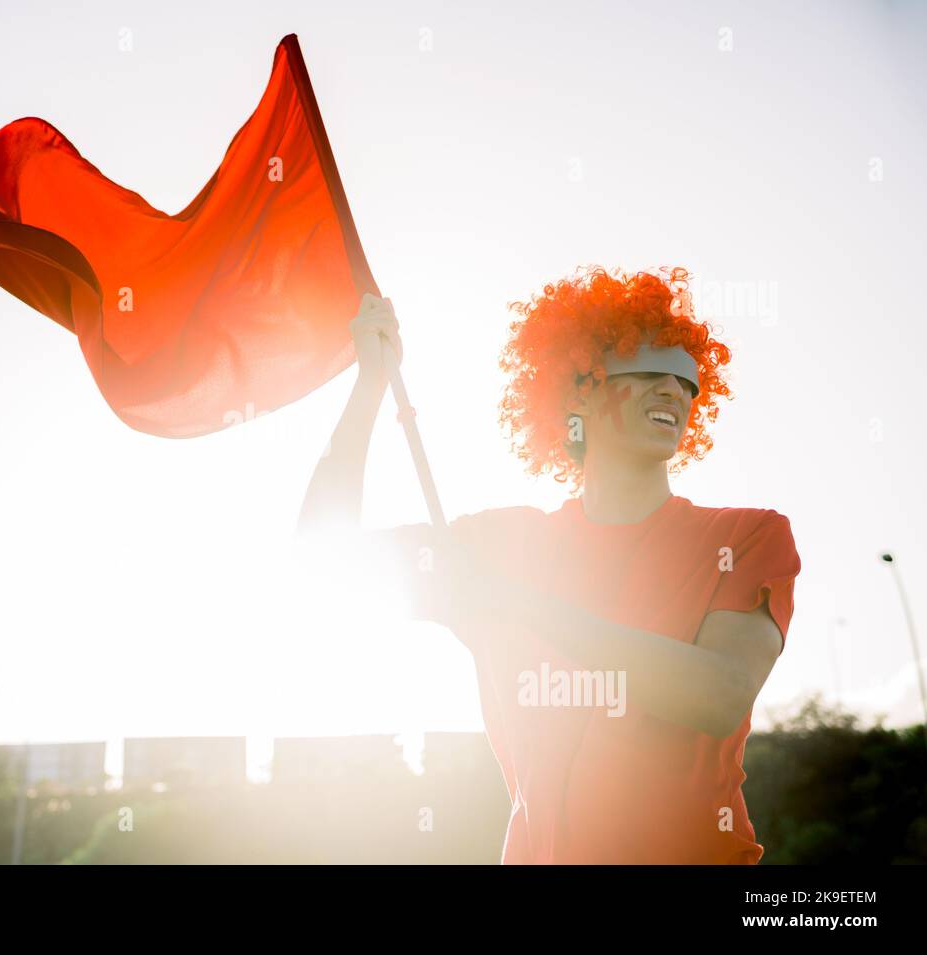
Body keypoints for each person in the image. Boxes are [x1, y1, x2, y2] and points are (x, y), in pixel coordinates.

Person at [296, 266, 802, 864]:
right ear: (576, 392)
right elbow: (325, 559)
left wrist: (520, 604)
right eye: (644, 369)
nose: (673, 388)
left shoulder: (746, 536)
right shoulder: (502, 542)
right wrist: (369, 387)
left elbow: (718, 695)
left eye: (686, 377)